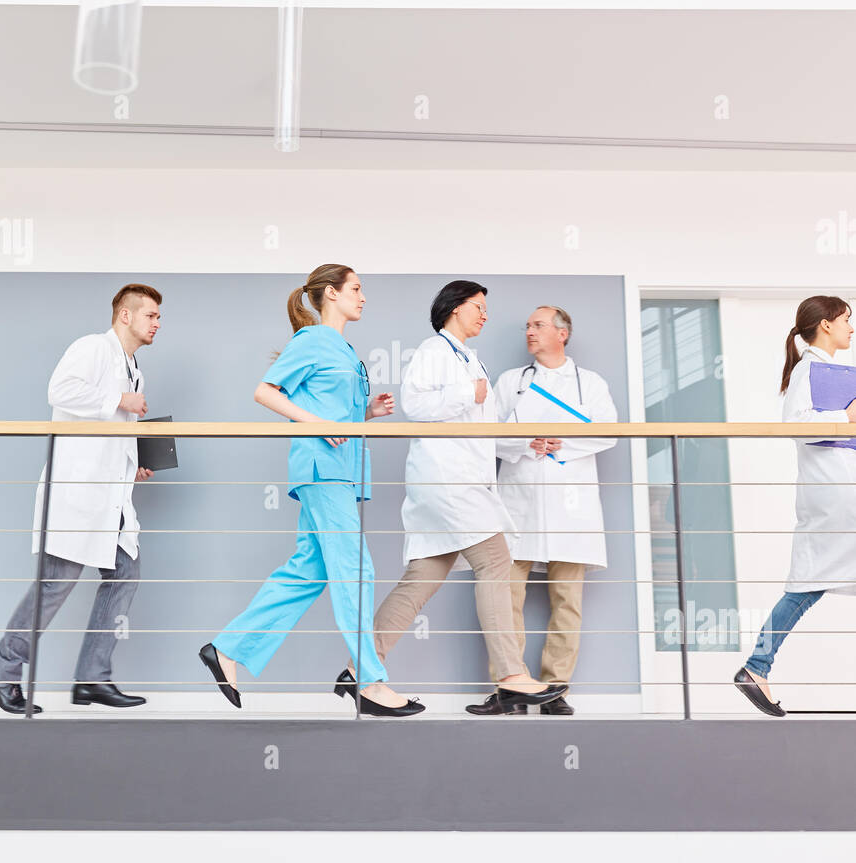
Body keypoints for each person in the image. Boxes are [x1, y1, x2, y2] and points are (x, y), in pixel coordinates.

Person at [199, 264, 424, 718]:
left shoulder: (340, 346)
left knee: (308, 571)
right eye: (356, 289)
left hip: (339, 471)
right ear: (330, 294)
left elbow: (330, 414)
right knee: (355, 571)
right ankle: (370, 681)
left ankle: (227, 649)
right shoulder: (315, 341)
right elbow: (265, 391)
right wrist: (316, 422)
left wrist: (366, 412)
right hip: (325, 472)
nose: (363, 297)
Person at [373, 280, 568, 714]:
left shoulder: (469, 359)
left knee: (420, 580)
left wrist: (525, 442)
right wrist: (468, 393)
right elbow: (415, 407)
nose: (485, 315)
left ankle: (360, 671)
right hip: (446, 483)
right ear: (454, 308)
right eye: (477, 307)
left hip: (458, 484)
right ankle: (512, 676)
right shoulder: (432, 352)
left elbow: (485, 431)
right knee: (496, 561)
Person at [0, 284, 162, 715]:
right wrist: (117, 400)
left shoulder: (134, 367)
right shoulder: (92, 349)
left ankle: (91, 679)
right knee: (54, 586)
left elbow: (112, 433)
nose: (157, 324)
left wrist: (135, 462)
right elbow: (60, 392)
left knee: (125, 572)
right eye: (151, 316)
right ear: (125, 315)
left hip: (111, 500)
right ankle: (2, 674)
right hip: (78, 495)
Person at [470, 305, 618, 718]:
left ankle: (554, 690)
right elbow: (488, 435)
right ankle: (509, 688)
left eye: (538, 326)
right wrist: (524, 443)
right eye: (528, 327)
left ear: (562, 333)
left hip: (572, 505)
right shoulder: (511, 382)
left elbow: (610, 431)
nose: (530, 332)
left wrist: (562, 443)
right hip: (519, 501)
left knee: (567, 600)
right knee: (505, 597)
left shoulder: (590, 383)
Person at [735, 296, 856, 718]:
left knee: (807, 585)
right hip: (835, 493)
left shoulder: (829, 369)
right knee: (806, 584)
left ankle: (757, 666)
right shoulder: (809, 370)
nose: (851, 328)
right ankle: (756, 666)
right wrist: (847, 415)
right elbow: (797, 426)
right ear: (825, 325)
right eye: (846, 320)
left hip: (843, 488)